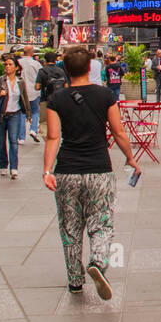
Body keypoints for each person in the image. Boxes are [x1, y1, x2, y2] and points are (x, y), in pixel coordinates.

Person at [43, 45, 139, 298]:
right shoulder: (105, 95)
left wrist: (46, 170)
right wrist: (130, 158)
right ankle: (97, 261)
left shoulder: (57, 99)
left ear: (66, 70)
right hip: (99, 168)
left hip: (66, 170)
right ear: (90, 67)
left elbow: (53, 137)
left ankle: (75, 280)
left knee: (70, 227)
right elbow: (118, 131)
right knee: (102, 222)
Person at [0, 55, 30, 179]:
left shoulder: (20, 82)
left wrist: (28, 113)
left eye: (10, 65)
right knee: (1, 141)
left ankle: (14, 168)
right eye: (6, 64)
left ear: (16, 67)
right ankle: (3, 165)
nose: (7, 67)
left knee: (13, 141)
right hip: (0, 115)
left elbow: (25, 98)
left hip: (14, 115)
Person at [19, 45, 43, 144]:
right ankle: (33, 129)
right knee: (35, 112)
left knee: (22, 113)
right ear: (32, 53)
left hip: (21, 92)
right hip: (34, 91)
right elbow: (41, 75)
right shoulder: (36, 64)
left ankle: (21, 137)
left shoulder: (18, 62)